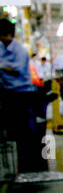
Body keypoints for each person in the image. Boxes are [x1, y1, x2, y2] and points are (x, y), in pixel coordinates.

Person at [0, 17, 42, 170]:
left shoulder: (20, 51)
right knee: (13, 130)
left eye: (3, 35)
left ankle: (30, 163)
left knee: (25, 130)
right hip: (8, 93)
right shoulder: (1, 47)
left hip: (22, 93)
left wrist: (1, 66)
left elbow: (15, 69)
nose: (1, 39)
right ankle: (17, 163)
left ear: (10, 35)